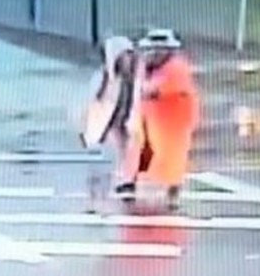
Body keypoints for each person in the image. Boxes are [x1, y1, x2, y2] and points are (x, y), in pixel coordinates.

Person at [135, 29, 200, 210]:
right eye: (151, 49)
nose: (154, 53)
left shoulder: (176, 68)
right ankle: (153, 190)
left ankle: (172, 195)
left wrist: (145, 90)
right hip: (155, 120)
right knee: (153, 156)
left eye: (159, 49)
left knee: (174, 158)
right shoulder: (149, 67)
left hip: (175, 122)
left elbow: (157, 90)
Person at [80, 35, 141, 209]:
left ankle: (126, 184)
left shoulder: (135, 79)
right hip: (106, 131)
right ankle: (98, 200)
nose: (128, 60)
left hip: (124, 127)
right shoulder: (103, 79)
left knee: (126, 156)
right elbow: (94, 105)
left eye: (129, 56)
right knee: (102, 167)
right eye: (123, 56)